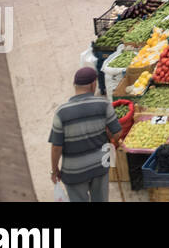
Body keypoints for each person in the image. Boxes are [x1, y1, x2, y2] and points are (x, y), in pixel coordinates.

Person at [49, 67, 122, 203]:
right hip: (99, 167)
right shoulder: (104, 104)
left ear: (74, 85)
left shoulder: (61, 112)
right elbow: (117, 133)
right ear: (93, 84)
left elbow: (56, 147)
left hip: (74, 172)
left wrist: (55, 170)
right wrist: (108, 134)